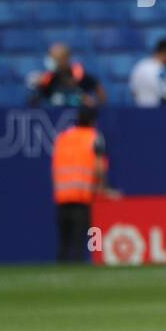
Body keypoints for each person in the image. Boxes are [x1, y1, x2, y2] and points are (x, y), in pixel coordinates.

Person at [52, 105, 111, 264]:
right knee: (79, 245)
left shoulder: (62, 137)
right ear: (92, 121)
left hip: (62, 197)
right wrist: (103, 189)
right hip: (82, 198)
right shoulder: (94, 137)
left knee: (64, 244)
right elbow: (98, 168)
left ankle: (57, 282)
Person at [29, 42, 105, 106]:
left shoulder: (80, 75)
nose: (50, 61)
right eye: (50, 57)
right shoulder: (47, 79)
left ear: (66, 59)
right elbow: (33, 104)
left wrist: (93, 103)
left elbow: (100, 93)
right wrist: (35, 86)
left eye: (55, 58)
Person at [129, 38, 166, 107]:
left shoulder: (139, 66)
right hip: (154, 112)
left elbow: (133, 91)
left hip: (138, 110)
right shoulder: (160, 71)